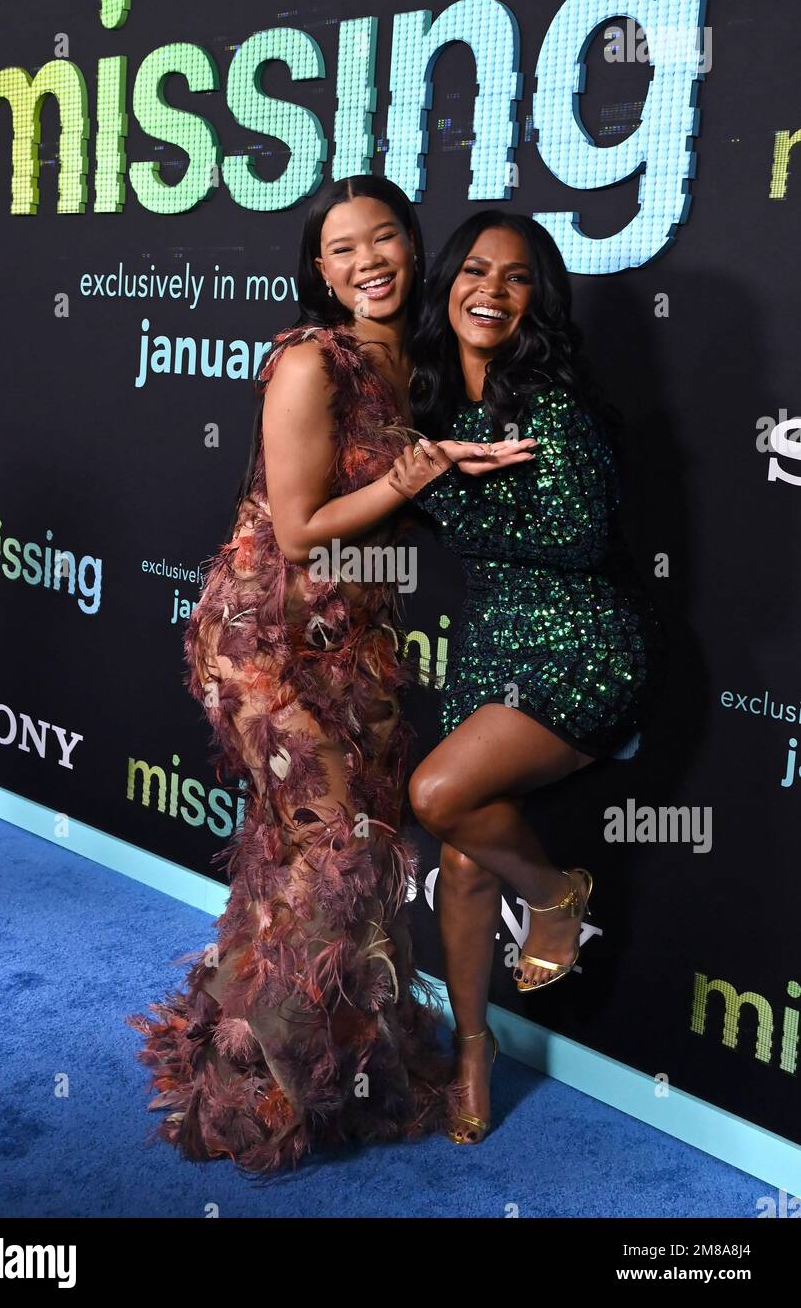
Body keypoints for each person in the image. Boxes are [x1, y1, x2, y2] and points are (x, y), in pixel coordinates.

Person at [125, 178, 528, 1173]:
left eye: (384, 237)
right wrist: (416, 472)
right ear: (321, 270)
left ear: (411, 242)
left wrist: (450, 465)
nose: (369, 261)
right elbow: (302, 529)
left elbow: (412, 484)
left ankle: (346, 1069)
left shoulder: (422, 358)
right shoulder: (311, 360)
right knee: (332, 855)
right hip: (267, 637)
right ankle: (250, 1096)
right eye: (343, 249)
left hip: (358, 637)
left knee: (324, 856)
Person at [387, 211, 668, 1145]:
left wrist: (444, 487)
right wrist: (428, 469)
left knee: (436, 793)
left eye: (516, 280)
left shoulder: (547, 404)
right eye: (475, 270)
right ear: (448, 286)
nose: (491, 291)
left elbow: (577, 539)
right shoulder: (434, 408)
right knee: (462, 853)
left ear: (537, 304)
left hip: (585, 641)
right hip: (492, 643)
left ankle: (554, 897)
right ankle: (474, 1047)